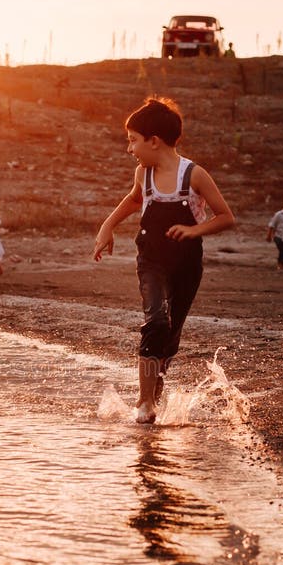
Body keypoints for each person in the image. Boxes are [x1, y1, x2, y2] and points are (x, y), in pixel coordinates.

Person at [93, 96, 235, 424]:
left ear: (154, 141)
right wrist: (107, 226)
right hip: (151, 260)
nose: (129, 149)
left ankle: (152, 401)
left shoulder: (194, 175)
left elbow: (226, 217)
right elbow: (133, 201)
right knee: (156, 322)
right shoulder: (144, 173)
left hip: (187, 266)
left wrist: (193, 229)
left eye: (133, 141)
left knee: (169, 338)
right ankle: (144, 405)